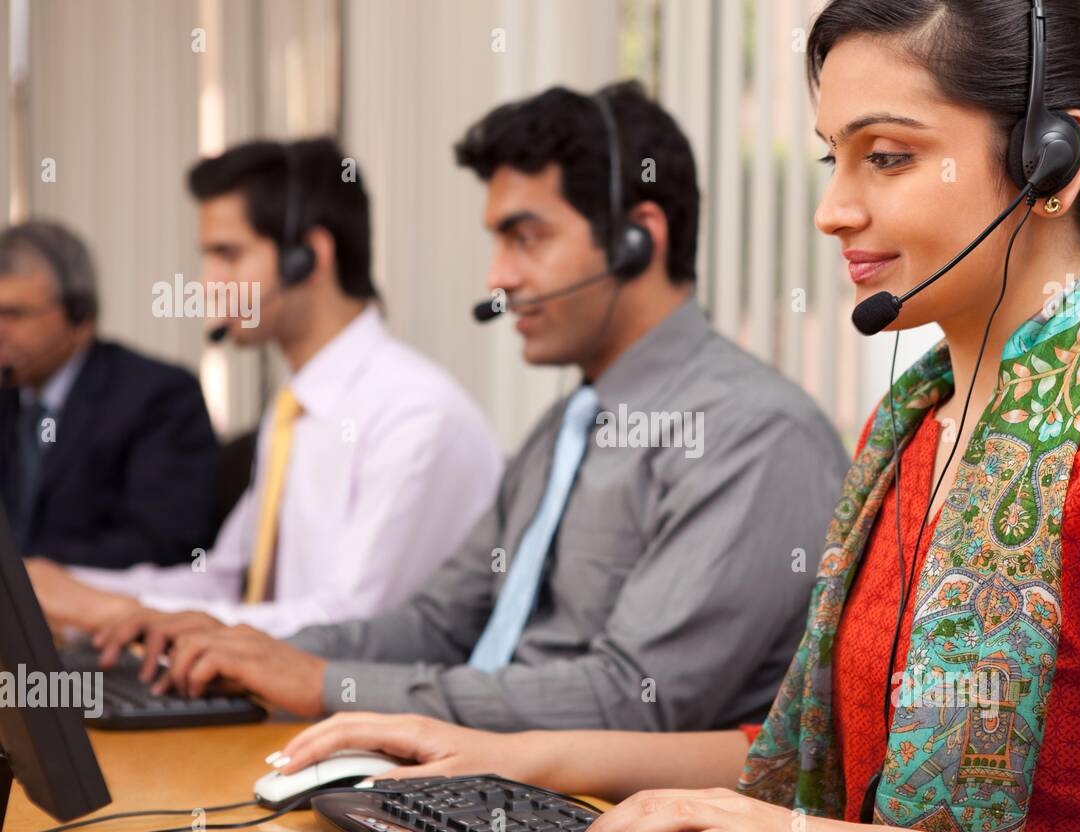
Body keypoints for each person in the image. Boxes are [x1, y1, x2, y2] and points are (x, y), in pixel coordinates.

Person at [269, 0, 1080, 832]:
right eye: (832, 159)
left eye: (886, 157)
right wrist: (507, 754)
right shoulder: (913, 430)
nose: (831, 210)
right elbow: (805, 759)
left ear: (1052, 163)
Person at [105, 80, 850, 734]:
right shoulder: (565, 429)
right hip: (492, 789)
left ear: (637, 238)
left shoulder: (752, 433)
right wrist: (269, 653)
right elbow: (440, 622)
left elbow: (636, 701)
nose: (498, 278)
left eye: (526, 239)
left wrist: (328, 685)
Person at [26, 138, 502, 640]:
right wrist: (66, 588)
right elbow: (226, 584)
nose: (207, 283)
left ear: (308, 257)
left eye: (227, 255)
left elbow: (349, 626)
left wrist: (115, 614)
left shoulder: (414, 415)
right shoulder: (295, 409)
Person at [0, 219, 218, 568]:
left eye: (13, 314)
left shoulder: (159, 397)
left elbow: (165, 542)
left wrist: (27, 577)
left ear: (81, 317)